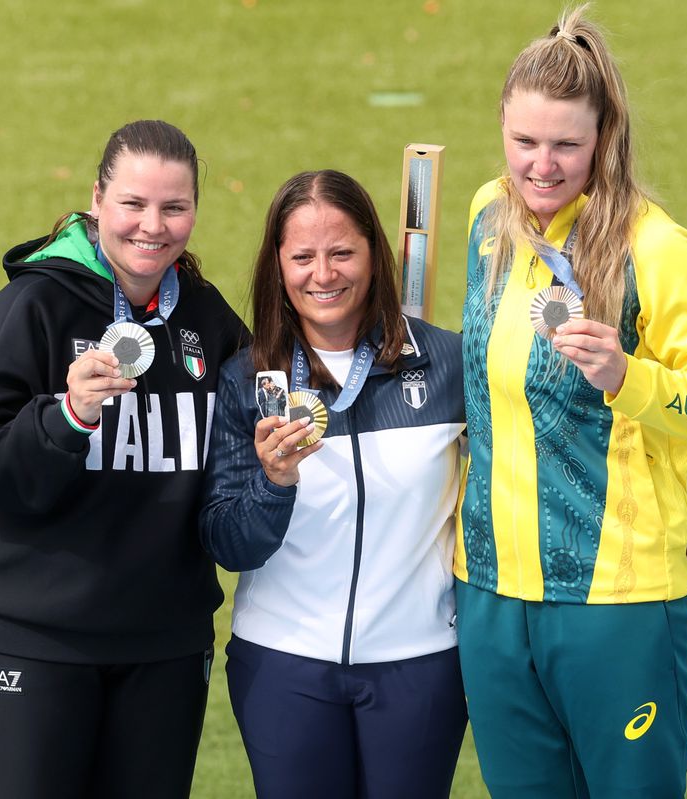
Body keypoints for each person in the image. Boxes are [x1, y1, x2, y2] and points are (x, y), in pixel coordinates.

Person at [456, 6, 687, 798]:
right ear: (502, 128)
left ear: (605, 137)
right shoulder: (488, 218)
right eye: (525, 141)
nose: (542, 165)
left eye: (566, 144)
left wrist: (631, 377)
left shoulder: (655, 247)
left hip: (620, 607)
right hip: (491, 594)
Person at [0, 120, 248, 798]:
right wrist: (67, 417)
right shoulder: (32, 309)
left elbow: (250, 448)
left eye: (175, 207)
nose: (153, 226)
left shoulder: (207, 321)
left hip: (163, 649)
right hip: (30, 643)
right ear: (97, 200)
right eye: (134, 204)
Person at [200, 170, 468, 799]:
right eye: (303, 257)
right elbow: (228, 545)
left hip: (420, 663)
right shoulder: (249, 379)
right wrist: (273, 483)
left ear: (376, 254)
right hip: (283, 665)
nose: (324, 274)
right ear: (278, 266)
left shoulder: (449, 364)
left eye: (343, 252)